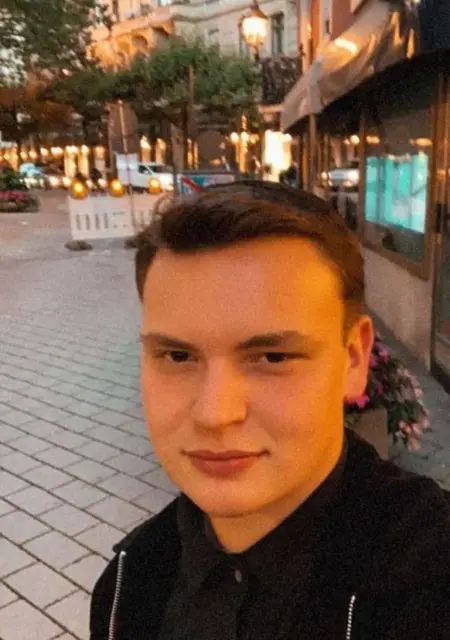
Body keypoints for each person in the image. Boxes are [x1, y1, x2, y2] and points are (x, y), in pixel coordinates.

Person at [90, 181, 450, 639]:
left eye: (272, 357)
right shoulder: (129, 584)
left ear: (354, 359)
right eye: (178, 356)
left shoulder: (431, 581)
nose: (214, 413)